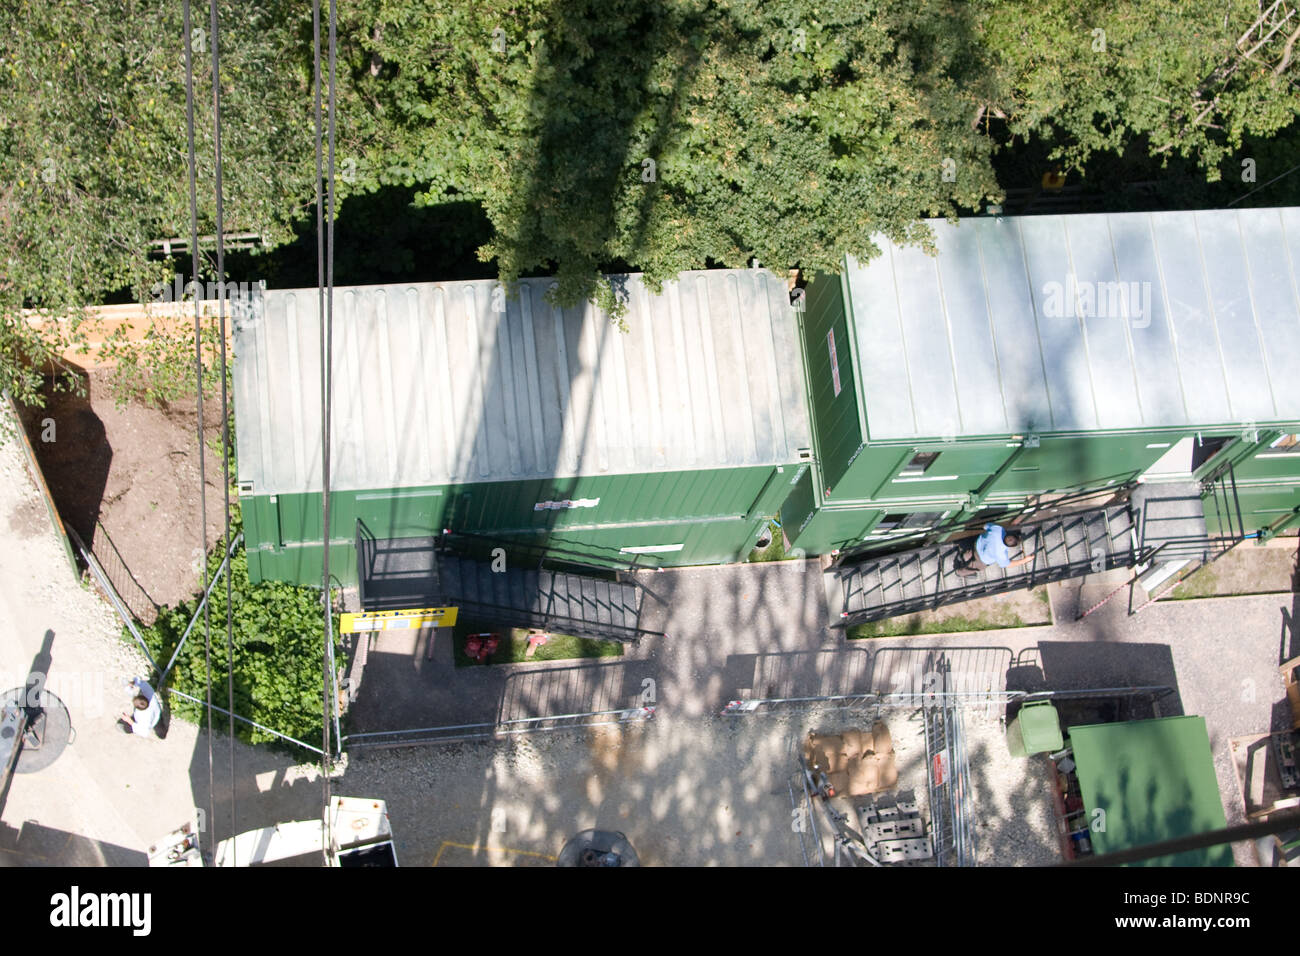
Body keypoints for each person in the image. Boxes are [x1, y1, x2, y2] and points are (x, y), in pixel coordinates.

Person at [953, 524, 1032, 577]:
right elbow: (1008, 564)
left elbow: (985, 526)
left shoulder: (998, 529)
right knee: (974, 567)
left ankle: (963, 556)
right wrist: (1024, 560)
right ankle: (959, 572)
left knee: (969, 552)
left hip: (975, 544)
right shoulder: (1001, 554)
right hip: (981, 560)